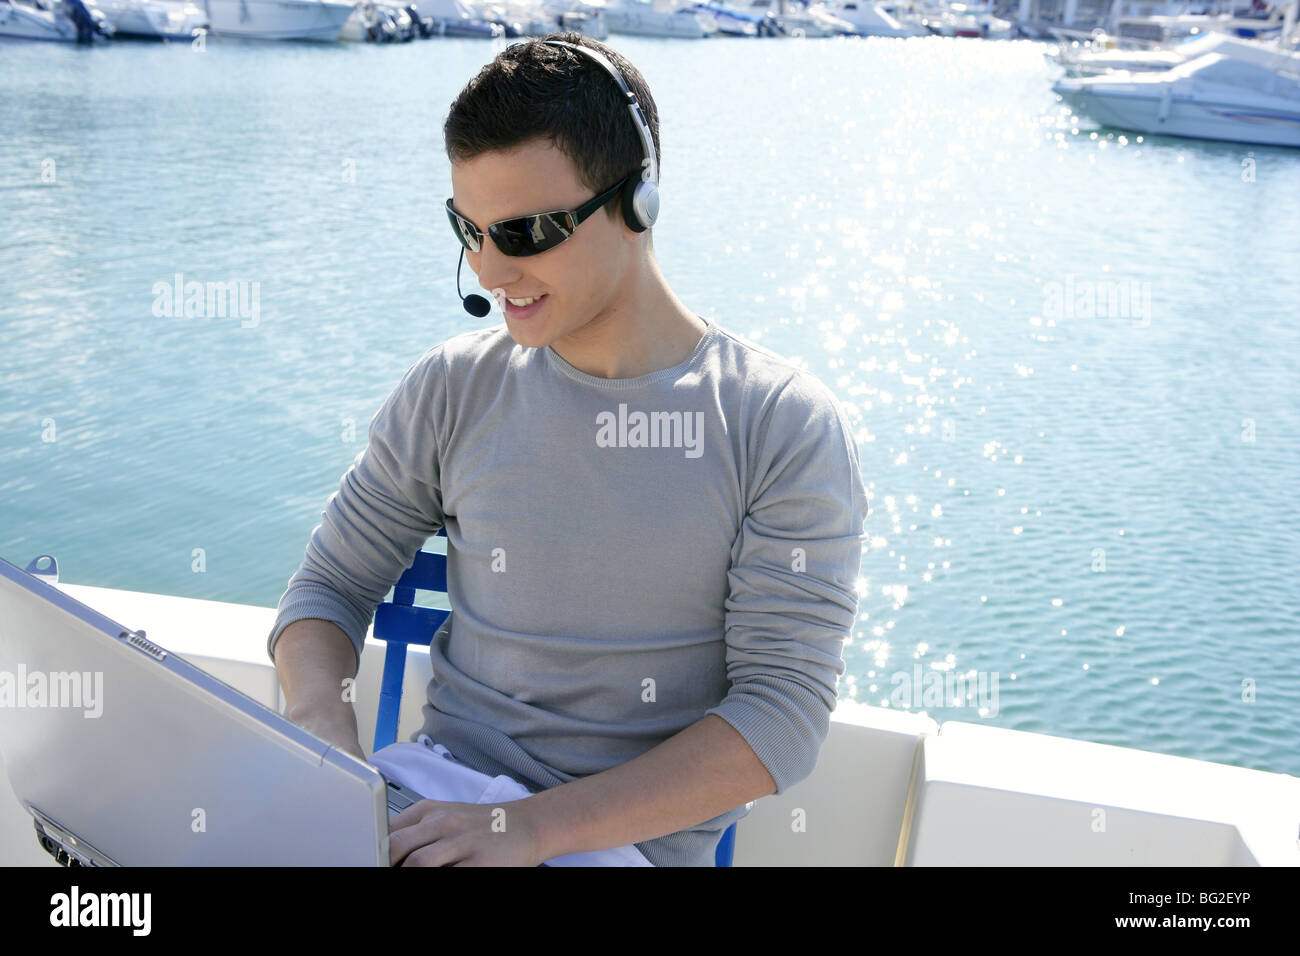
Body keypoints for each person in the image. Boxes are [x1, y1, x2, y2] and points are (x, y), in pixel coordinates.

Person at [266, 32, 869, 867]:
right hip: (421, 809)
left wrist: (528, 830)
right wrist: (326, 762)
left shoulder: (779, 424)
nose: (485, 270)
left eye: (524, 233)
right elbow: (328, 588)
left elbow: (783, 716)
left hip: (604, 850)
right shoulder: (452, 388)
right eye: (466, 229)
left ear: (638, 203)